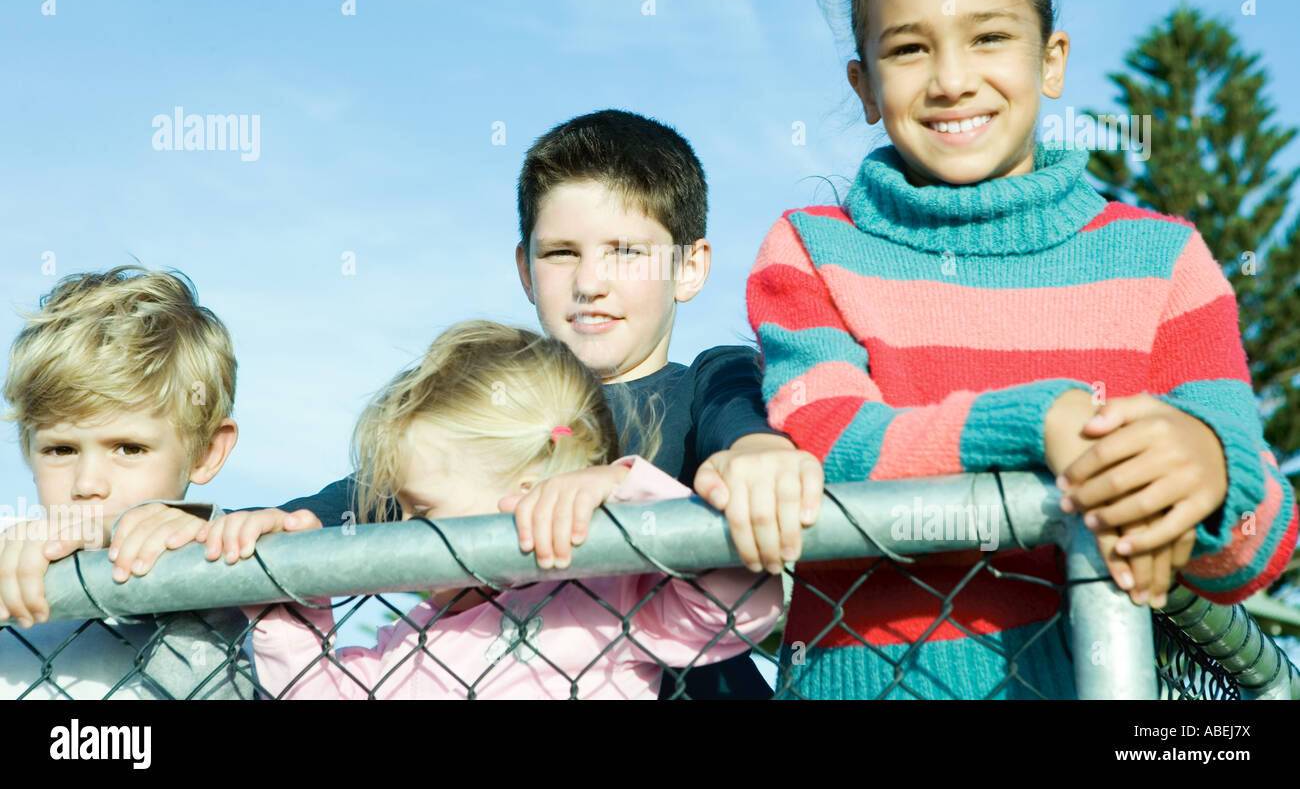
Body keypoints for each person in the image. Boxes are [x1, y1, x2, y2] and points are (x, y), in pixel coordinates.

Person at [744, 0, 1298, 699]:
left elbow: (1258, 552)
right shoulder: (812, 251)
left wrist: (1211, 473)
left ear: (1052, 61)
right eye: (908, 47)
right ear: (864, 88)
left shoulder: (1163, 261)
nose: (951, 79)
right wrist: (1045, 420)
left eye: (989, 37)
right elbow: (831, 450)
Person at [112, 110, 823, 698]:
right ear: (524, 267)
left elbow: (742, 441)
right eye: (561, 253)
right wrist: (264, 526)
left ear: (691, 266)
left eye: (627, 252)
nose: (591, 282)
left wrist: (749, 452)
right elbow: (376, 494)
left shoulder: (709, 380)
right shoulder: (485, 399)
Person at [240, 321, 782, 699]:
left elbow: (741, 601)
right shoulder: (411, 636)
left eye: (422, 509)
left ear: (528, 491)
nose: (400, 531)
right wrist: (285, 601)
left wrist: (624, 492)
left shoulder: (601, 603)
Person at [0, 267, 253, 699]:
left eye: (129, 448)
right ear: (28, 448)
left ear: (207, 452)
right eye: (60, 450)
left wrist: (194, 581)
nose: (88, 483)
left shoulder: (240, 584)